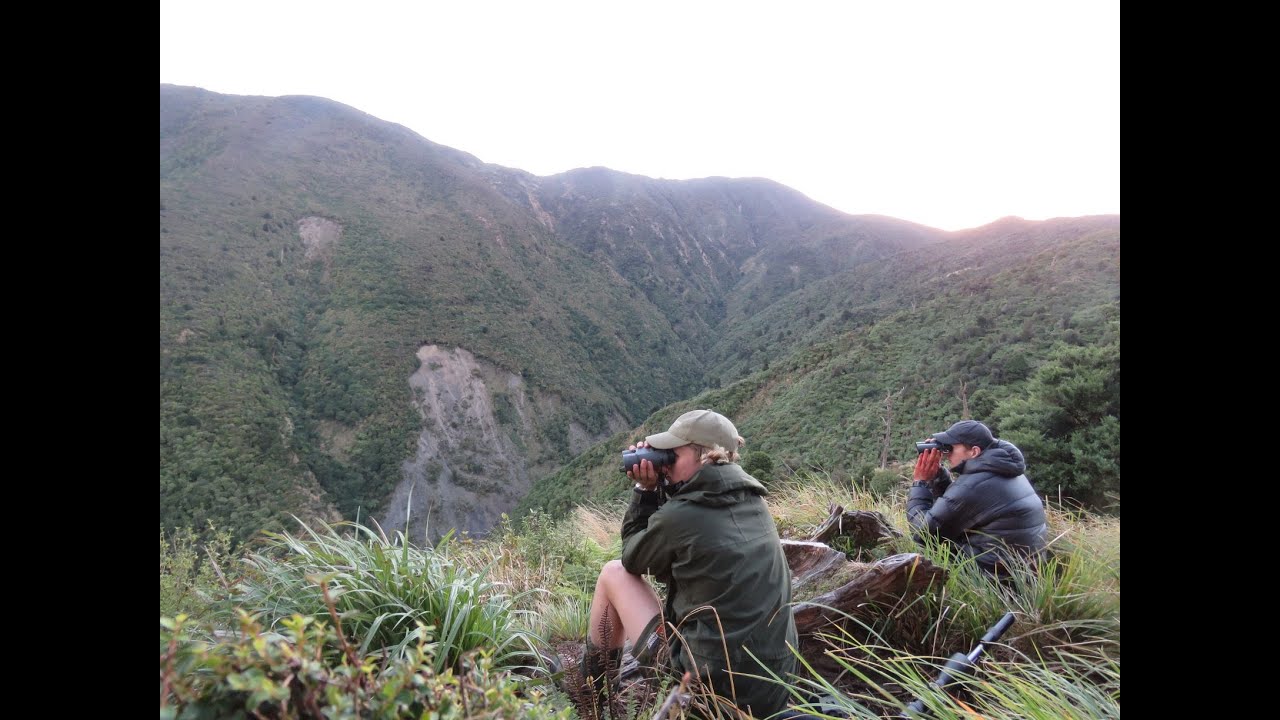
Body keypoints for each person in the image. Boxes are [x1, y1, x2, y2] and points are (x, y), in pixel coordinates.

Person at [581, 409, 797, 718]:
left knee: (613, 573)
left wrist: (645, 490)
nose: (665, 462)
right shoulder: (754, 501)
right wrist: (666, 485)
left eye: (673, 454)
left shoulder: (681, 517)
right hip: (771, 692)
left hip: (705, 697)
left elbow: (632, 557)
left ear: (705, 456)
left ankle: (588, 699)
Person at [907, 420, 1047, 577]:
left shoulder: (973, 486)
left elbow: (922, 533)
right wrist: (938, 474)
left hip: (996, 580)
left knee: (927, 549)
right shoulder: (1004, 469)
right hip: (1021, 572)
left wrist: (920, 482)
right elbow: (958, 504)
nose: (947, 453)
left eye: (951, 448)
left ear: (974, 452)